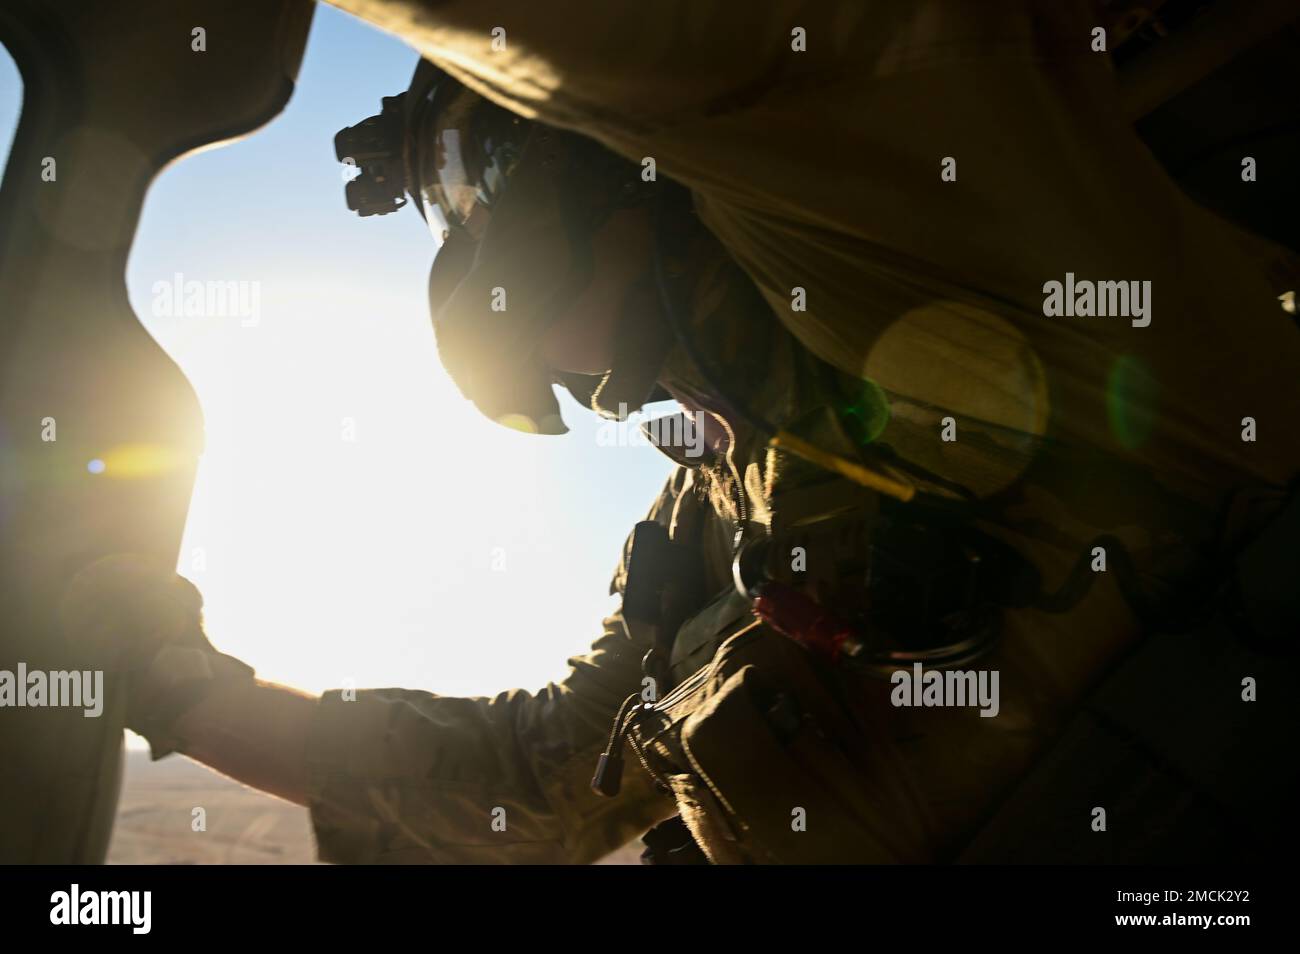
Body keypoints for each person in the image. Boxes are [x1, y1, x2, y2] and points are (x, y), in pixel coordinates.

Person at [100, 0, 1299, 863]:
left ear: (608, 163)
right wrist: (174, 685)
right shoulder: (708, 519)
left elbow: (704, 53)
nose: (463, 245)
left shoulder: (937, 255)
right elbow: (542, 784)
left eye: (475, 173)